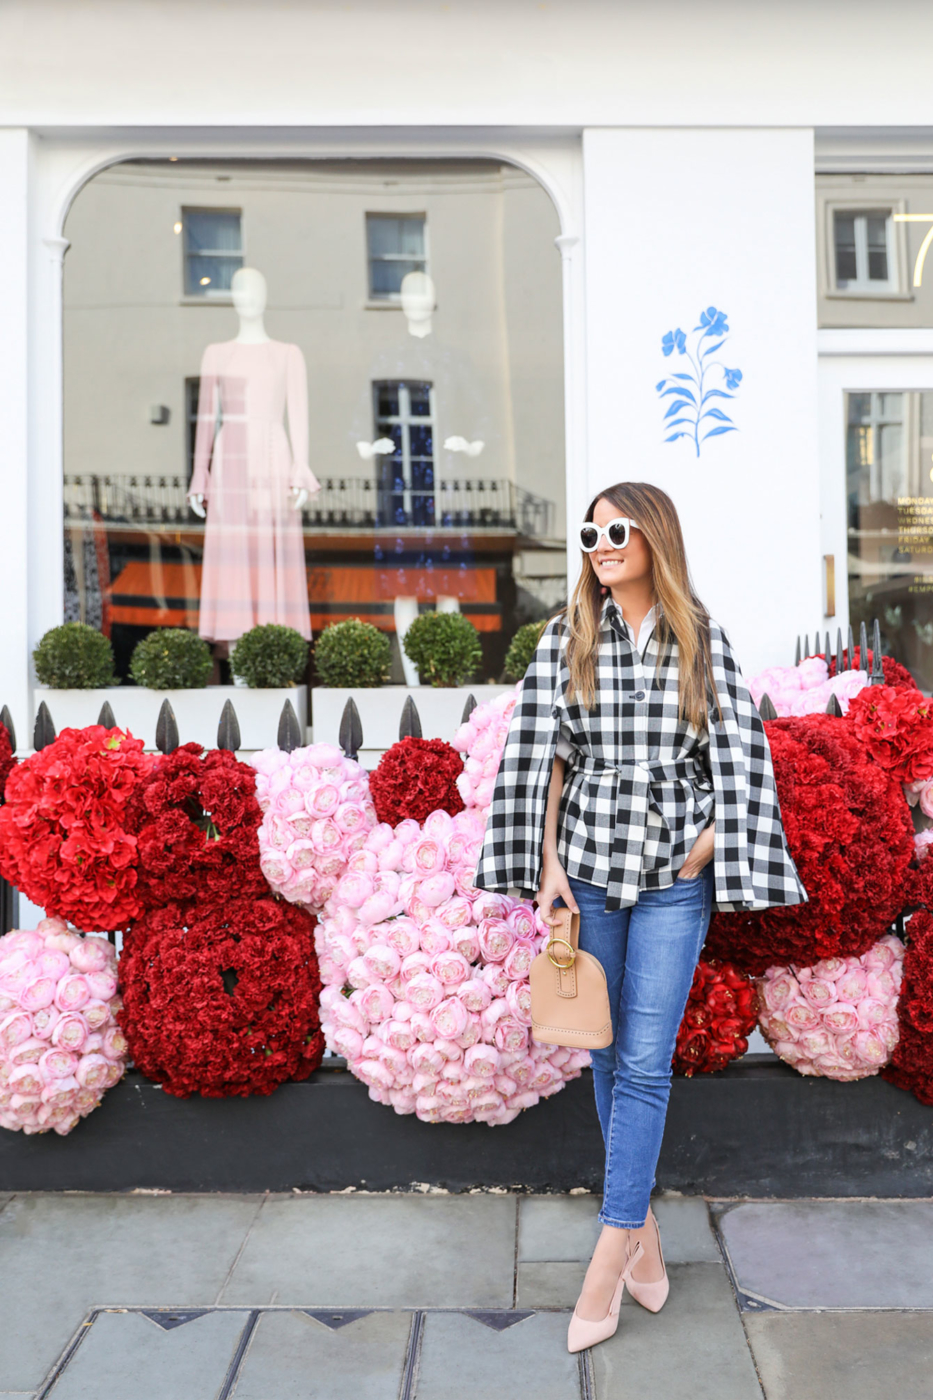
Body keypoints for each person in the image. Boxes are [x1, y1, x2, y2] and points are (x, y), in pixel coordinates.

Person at [473, 481, 806, 1353]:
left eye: (616, 530)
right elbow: (540, 757)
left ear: (654, 536)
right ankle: (643, 1234)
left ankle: (606, 1249)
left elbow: (736, 745)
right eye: (589, 533)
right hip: (585, 868)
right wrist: (544, 864)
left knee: (646, 1061)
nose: (601, 544)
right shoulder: (564, 640)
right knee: (603, 1048)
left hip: (672, 873)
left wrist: (706, 842)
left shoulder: (700, 638)